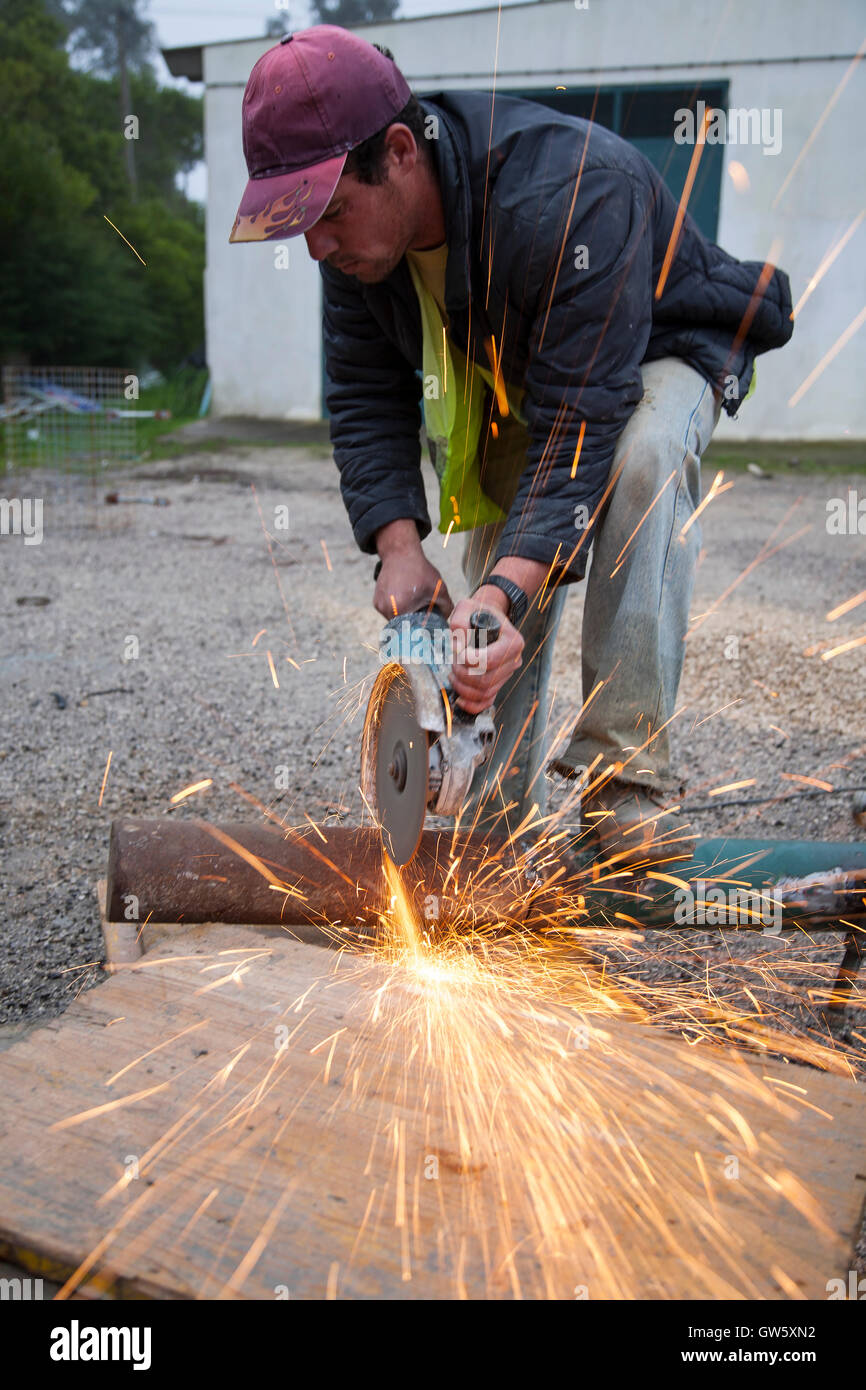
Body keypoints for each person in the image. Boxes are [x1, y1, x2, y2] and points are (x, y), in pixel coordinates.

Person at [230, 25, 794, 859]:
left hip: (662, 345)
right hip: (539, 372)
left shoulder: (569, 191)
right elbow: (363, 393)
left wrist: (501, 591)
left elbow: (586, 417)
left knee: (640, 464)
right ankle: (496, 824)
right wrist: (398, 549)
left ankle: (622, 786)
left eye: (333, 212)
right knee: (495, 591)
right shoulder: (351, 246)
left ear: (397, 152)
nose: (317, 244)